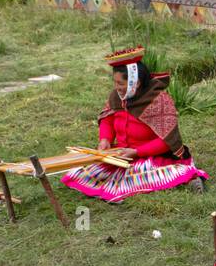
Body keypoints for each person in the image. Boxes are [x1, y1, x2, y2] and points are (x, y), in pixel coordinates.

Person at [62, 46, 206, 202]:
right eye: (115, 82)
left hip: (150, 156)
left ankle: (190, 178)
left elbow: (167, 142)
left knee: (136, 175)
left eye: (121, 83)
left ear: (135, 83)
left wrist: (136, 152)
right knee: (79, 172)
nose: (117, 88)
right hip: (120, 155)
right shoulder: (117, 96)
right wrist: (105, 139)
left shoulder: (158, 100)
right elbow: (107, 120)